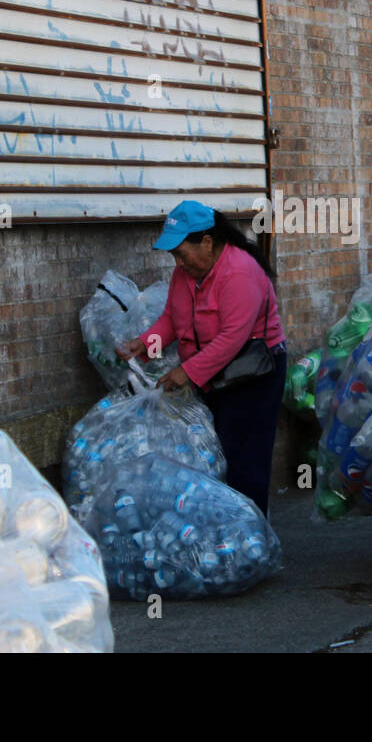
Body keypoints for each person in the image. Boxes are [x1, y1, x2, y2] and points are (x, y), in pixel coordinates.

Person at [116, 200, 287, 516]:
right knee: (215, 452)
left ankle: (249, 539)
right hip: (213, 376)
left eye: (182, 253)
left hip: (252, 375)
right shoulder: (186, 275)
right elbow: (172, 318)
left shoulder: (239, 271)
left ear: (207, 242)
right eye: (174, 256)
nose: (179, 262)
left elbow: (233, 338)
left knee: (244, 459)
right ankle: (220, 532)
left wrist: (186, 373)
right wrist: (145, 343)